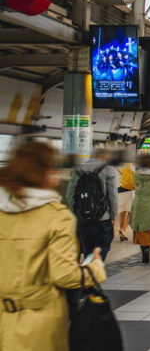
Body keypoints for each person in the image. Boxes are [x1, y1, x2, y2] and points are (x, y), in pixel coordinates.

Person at [0, 141, 107, 351]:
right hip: (39, 324)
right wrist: (95, 268)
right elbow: (64, 275)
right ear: (46, 174)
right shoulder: (56, 218)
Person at [66, 147, 119, 261]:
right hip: (103, 217)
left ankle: (89, 268)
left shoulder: (78, 169)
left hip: (83, 218)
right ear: (105, 157)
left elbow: (70, 195)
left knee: (88, 247)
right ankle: (94, 269)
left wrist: (75, 214)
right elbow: (113, 195)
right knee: (103, 247)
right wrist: (113, 215)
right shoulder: (108, 169)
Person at [117, 162, 135, 241]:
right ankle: (123, 230)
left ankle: (121, 232)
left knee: (122, 212)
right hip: (129, 191)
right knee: (130, 213)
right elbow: (135, 176)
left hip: (120, 191)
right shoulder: (130, 165)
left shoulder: (119, 165)